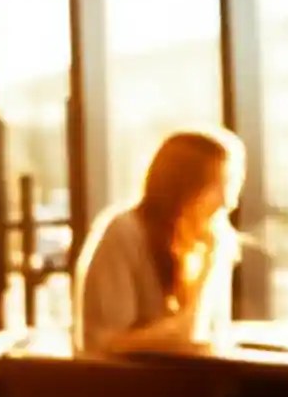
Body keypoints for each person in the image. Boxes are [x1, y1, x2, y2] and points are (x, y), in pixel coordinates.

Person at [74, 129, 246, 354]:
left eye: (230, 184)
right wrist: (207, 272)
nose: (228, 201)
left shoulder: (212, 241)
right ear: (182, 188)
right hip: (127, 384)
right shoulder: (124, 233)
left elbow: (211, 338)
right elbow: (103, 343)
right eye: (216, 185)